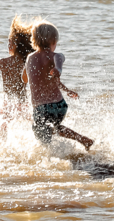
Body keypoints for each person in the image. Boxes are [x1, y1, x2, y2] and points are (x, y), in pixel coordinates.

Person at [22, 21, 93, 150]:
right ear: (54, 41)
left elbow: (24, 78)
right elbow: (56, 74)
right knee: (55, 128)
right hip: (59, 105)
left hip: (41, 108)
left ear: (34, 40)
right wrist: (65, 86)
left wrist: (56, 70)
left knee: (42, 134)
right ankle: (83, 141)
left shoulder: (30, 58)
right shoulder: (56, 55)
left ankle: (51, 158)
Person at [0, 17, 35, 138]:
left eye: (9, 42)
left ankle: (1, 146)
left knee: (5, 123)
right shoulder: (27, 63)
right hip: (22, 101)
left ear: (14, 45)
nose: (7, 45)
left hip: (8, 101)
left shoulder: (2, 62)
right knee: (32, 122)